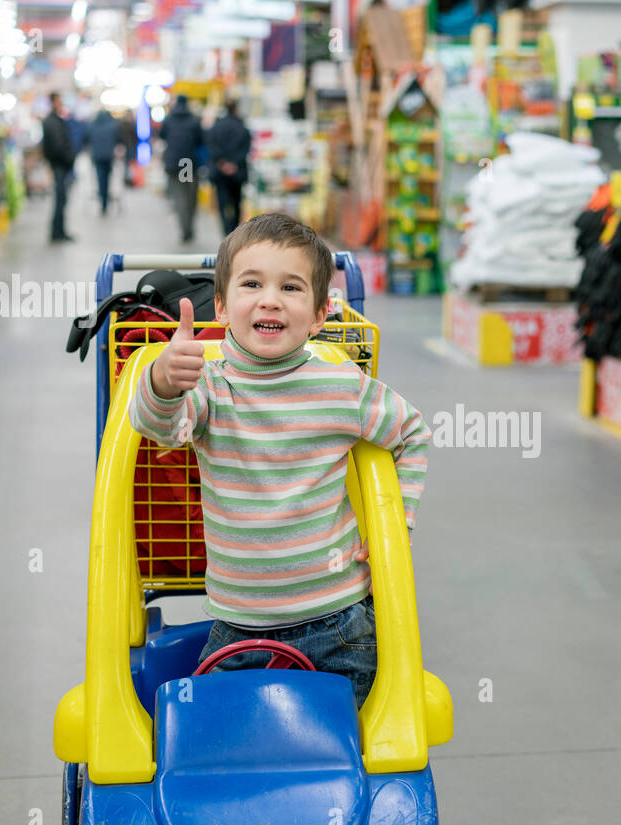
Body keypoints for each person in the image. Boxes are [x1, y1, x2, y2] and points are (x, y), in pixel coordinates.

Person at [128, 213, 430, 709]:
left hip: (340, 626)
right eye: (252, 284)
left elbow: (413, 432)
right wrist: (164, 379)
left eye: (291, 287)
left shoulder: (342, 386)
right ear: (222, 305)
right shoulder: (211, 385)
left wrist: (396, 525)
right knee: (234, 758)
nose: (270, 299)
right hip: (235, 632)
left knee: (335, 758)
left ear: (318, 314)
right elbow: (162, 427)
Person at [159, 94, 205, 242]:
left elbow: (162, 136)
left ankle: (184, 227)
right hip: (188, 163)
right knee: (190, 197)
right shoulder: (194, 120)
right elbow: (200, 141)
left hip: (173, 164)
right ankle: (188, 227)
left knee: (179, 197)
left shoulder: (168, 119)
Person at [205, 99, 252, 235]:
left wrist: (222, 163)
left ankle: (226, 232)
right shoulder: (242, 128)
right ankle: (235, 231)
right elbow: (246, 149)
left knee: (222, 203)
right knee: (236, 202)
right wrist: (234, 164)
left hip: (220, 173)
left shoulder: (216, 127)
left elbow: (212, 147)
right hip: (237, 172)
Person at [41, 92, 76, 243]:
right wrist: (69, 159)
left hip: (59, 165)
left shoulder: (55, 120)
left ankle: (59, 230)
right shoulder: (52, 122)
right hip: (59, 165)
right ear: (54, 102)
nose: (62, 103)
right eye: (60, 100)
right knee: (60, 199)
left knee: (62, 200)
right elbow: (57, 146)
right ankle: (57, 232)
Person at [88, 109, 122, 215]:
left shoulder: (93, 126)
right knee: (107, 178)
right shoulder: (112, 126)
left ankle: (103, 198)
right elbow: (118, 139)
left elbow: (87, 139)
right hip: (108, 157)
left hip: (97, 157)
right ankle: (105, 199)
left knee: (100, 178)